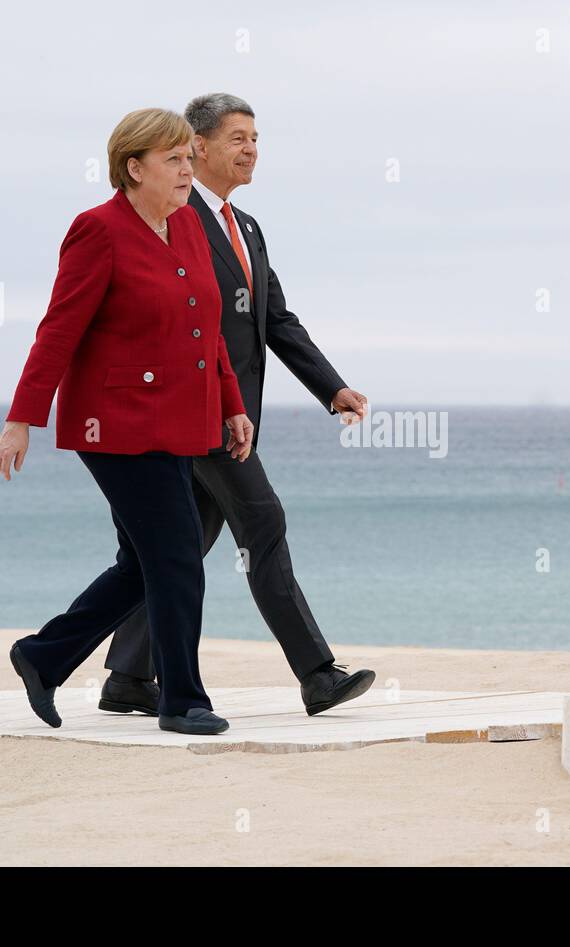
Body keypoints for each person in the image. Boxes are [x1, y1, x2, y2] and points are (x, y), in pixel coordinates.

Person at [101, 93, 374, 718]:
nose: (251, 150)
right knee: (264, 521)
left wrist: (330, 387)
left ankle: (125, 675)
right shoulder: (174, 216)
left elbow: (275, 320)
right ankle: (317, 674)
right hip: (193, 413)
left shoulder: (245, 226)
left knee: (184, 543)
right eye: (237, 138)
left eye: (256, 139)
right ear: (196, 146)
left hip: (235, 417)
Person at [0, 107, 254, 735]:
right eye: (174, 160)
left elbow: (208, 327)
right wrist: (23, 417)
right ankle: (182, 699)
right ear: (134, 168)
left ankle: (44, 654)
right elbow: (58, 329)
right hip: (112, 424)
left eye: (190, 159)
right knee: (176, 557)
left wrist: (232, 404)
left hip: (180, 419)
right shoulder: (98, 230)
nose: (188, 170)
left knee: (145, 563)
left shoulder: (188, 226)